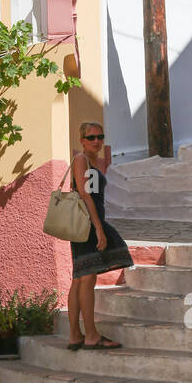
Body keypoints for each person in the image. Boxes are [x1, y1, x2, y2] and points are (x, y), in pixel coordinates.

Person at [66, 120, 133, 350]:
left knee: (79, 279)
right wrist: (98, 227)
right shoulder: (81, 160)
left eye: (100, 136)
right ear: (82, 140)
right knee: (87, 279)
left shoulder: (92, 161)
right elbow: (86, 196)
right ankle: (91, 335)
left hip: (86, 223)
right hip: (87, 223)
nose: (97, 141)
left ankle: (76, 335)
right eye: (91, 137)